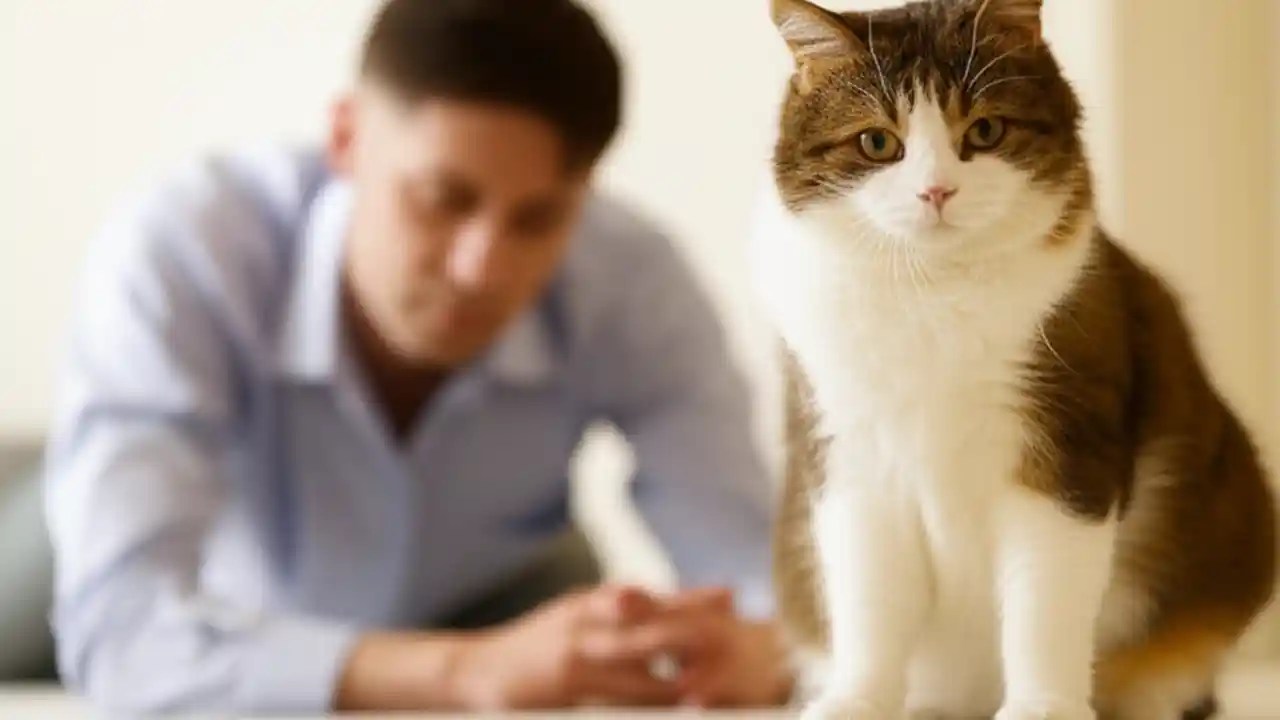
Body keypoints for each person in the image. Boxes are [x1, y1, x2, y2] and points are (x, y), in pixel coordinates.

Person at [43, 0, 789, 714]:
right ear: (346, 138)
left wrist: (763, 648)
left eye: (538, 218)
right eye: (442, 197)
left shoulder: (633, 283)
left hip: (493, 593)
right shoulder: (189, 250)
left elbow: (765, 587)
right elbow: (121, 633)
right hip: (179, 593)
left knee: (579, 599)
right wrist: (465, 674)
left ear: (585, 195)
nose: (481, 268)